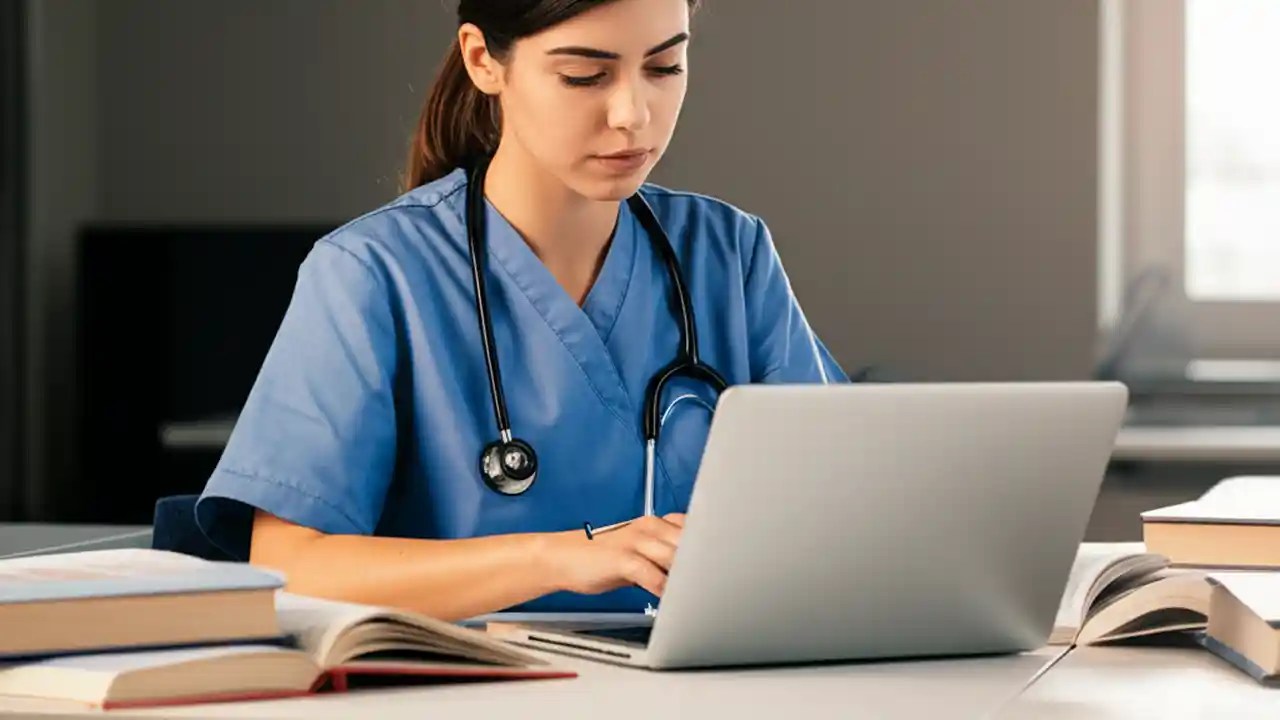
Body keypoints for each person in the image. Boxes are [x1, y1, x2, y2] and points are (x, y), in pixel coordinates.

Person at [195, 0, 848, 621]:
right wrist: (559, 557)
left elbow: (852, 503)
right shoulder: (373, 274)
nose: (632, 114)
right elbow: (290, 568)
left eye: (664, 67)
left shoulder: (728, 254)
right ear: (484, 60)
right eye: (583, 75)